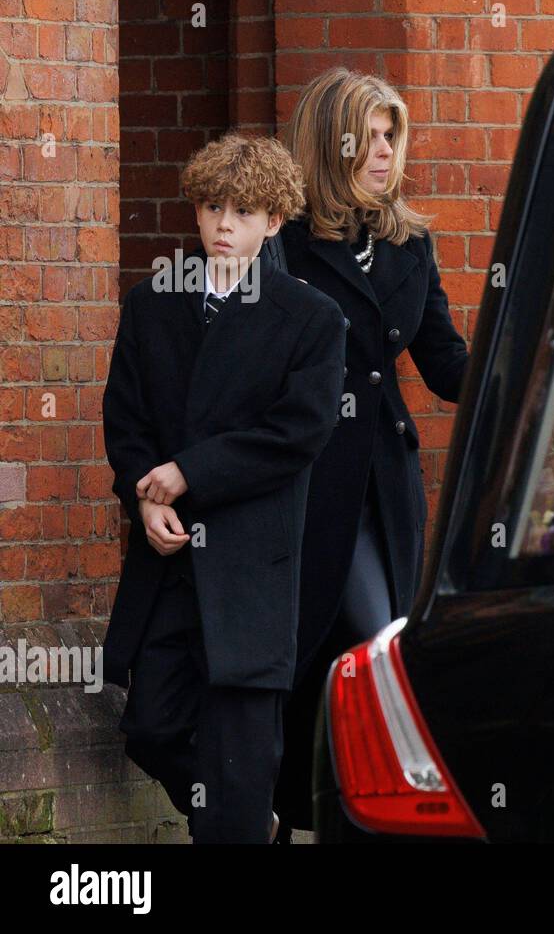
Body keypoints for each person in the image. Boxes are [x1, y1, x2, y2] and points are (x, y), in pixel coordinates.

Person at [103, 134, 346, 843]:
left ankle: (244, 825)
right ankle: (252, 825)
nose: (223, 224)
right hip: (169, 567)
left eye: (243, 211)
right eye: (212, 206)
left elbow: (298, 432)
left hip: (250, 572)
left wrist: (192, 472)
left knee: (237, 775)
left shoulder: (310, 318)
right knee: (149, 727)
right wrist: (145, 494)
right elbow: (126, 421)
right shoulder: (151, 305)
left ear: (275, 221)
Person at [271, 68, 469, 838]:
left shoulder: (409, 243)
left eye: (393, 135)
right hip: (307, 484)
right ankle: (301, 808)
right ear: (333, 143)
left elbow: (448, 365)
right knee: (345, 647)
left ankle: (340, 819)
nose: (384, 150)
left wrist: (529, 370)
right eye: (370, 136)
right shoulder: (281, 244)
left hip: (385, 492)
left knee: (373, 651)